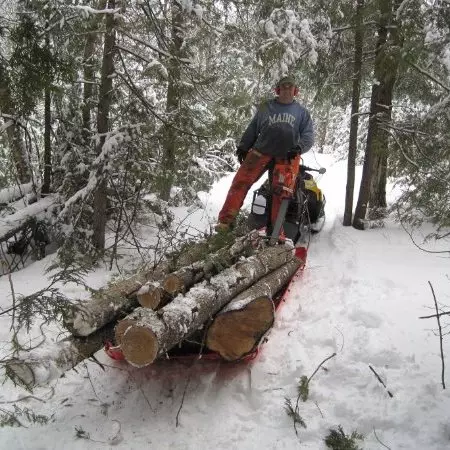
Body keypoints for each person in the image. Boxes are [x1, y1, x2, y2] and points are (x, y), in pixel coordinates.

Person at [215, 75, 314, 237]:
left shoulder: (302, 113)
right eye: (284, 86)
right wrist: (243, 146)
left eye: (290, 87)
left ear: (295, 91)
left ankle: (275, 233)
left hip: (287, 157)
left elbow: (308, 136)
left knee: (281, 194)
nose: (287, 89)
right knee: (240, 182)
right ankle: (225, 222)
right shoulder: (266, 107)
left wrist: (298, 148)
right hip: (260, 152)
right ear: (278, 90)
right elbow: (253, 128)